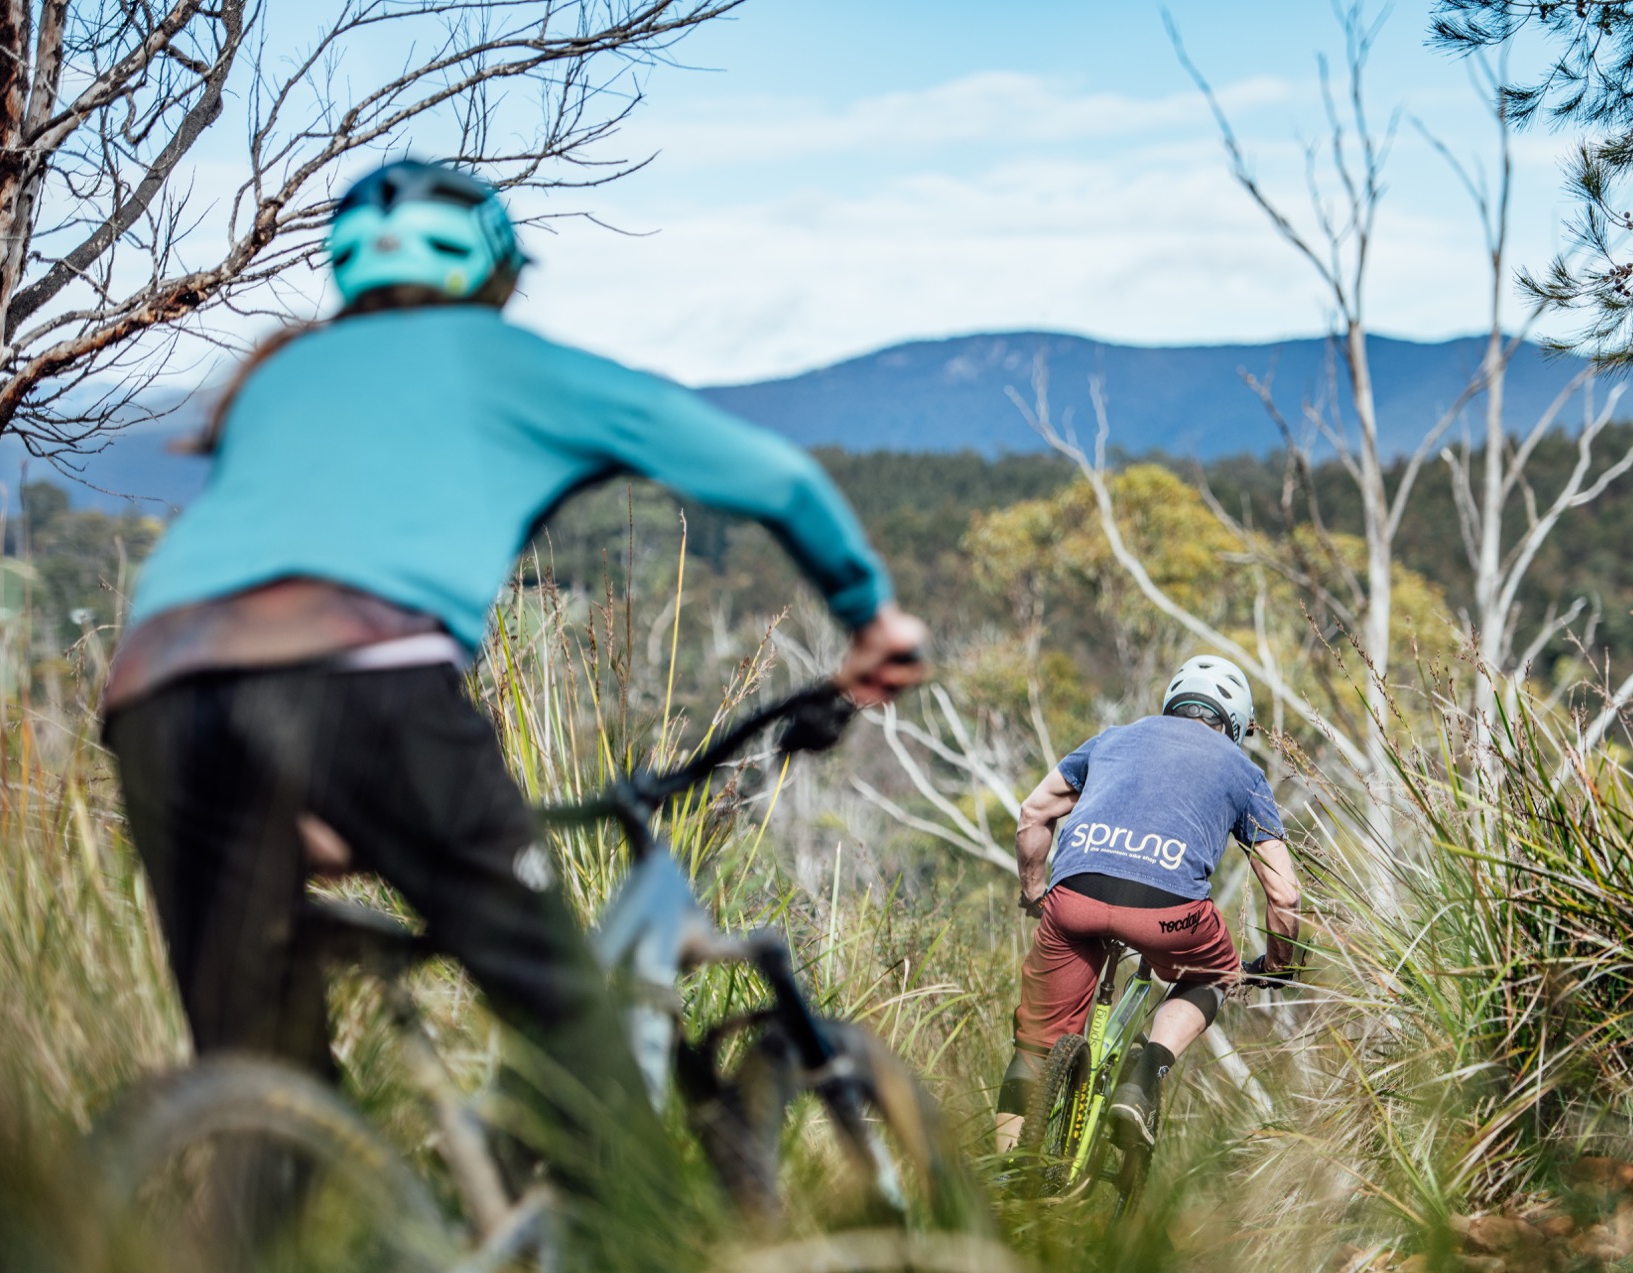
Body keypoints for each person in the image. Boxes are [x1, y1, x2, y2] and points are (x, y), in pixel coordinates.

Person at [101, 159, 926, 1201]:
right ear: (493, 274)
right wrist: (870, 619)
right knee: (568, 1023)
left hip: (156, 702)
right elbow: (776, 478)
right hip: (367, 683)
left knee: (265, 1081)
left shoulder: (279, 375)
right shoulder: (508, 362)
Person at [993, 655, 1302, 1155]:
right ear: (1237, 724)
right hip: (1170, 914)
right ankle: (1143, 1079)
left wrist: (1033, 892)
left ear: (1172, 702)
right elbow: (1284, 893)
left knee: (1034, 1043)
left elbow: (1033, 811)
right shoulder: (1243, 771)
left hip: (1075, 897)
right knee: (1213, 975)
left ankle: (1004, 1175)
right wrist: (1279, 964)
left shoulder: (1112, 738)